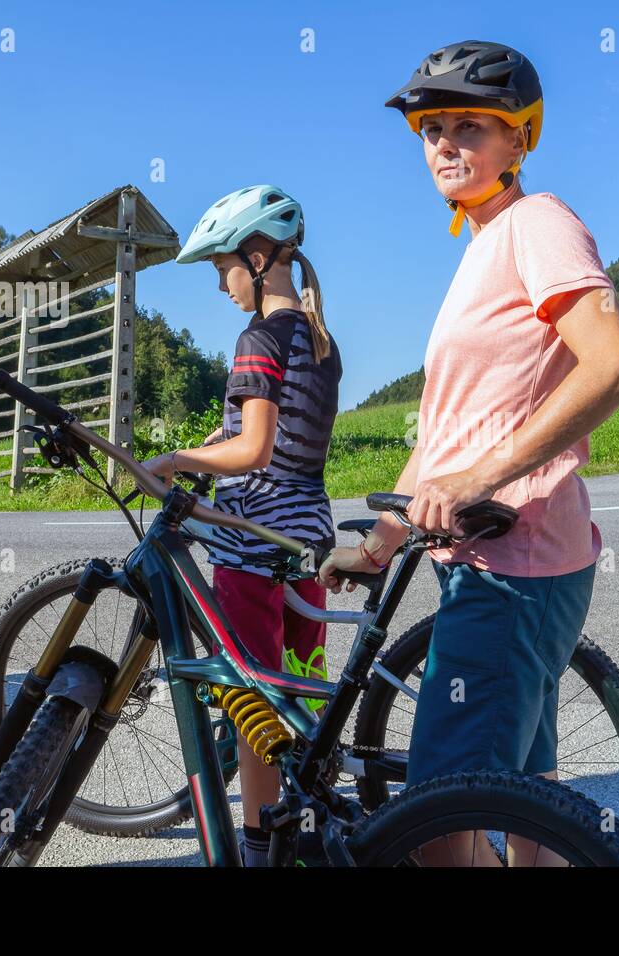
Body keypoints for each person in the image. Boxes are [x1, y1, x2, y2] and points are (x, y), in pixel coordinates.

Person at [316, 40, 619, 865]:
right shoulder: (483, 247)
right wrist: (388, 535)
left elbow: (614, 367)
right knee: (529, 781)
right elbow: (450, 432)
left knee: (438, 808)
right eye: (432, 129)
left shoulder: (540, 223)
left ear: (519, 140)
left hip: (514, 556)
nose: (445, 145)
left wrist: (481, 478)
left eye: (470, 126)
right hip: (494, 552)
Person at [143, 185, 341, 867]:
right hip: (306, 537)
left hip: (254, 540)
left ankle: (260, 853)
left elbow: (253, 450)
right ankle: (307, 823)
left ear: (257, 257)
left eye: (221, 266)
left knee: (252, 705)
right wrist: (205, 448)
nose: (221, 284)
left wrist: (171, 459)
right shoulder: (318, 337)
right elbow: (258, 433)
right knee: (298, 689)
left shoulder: (258, 335)